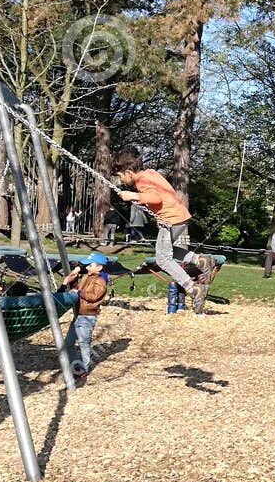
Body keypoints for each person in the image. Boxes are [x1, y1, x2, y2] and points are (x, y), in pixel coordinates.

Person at [111, 150, 200, 309]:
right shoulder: (150, 173)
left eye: (120, 176)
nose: (121, 180)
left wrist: (134, 196)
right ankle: (200, 260)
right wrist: (143, 200)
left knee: (163, 259)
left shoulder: (142, 181)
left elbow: (156, 198)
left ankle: (192, 288)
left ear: (129, 172)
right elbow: (161, 194)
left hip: (170, 220)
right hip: (179, 216)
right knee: (168, 251)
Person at [60, 251, 110, 383]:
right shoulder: (86, 277)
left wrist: (79, 292)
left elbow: (94, 296)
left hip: (87, 316)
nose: (86, 267)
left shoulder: (100, 281)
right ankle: (77, 366)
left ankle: (83, 370)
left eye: (90, 265)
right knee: (68, 344)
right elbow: (80, 289)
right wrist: (73, 284)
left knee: (83, 344)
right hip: (78, 315)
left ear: (99, 267)